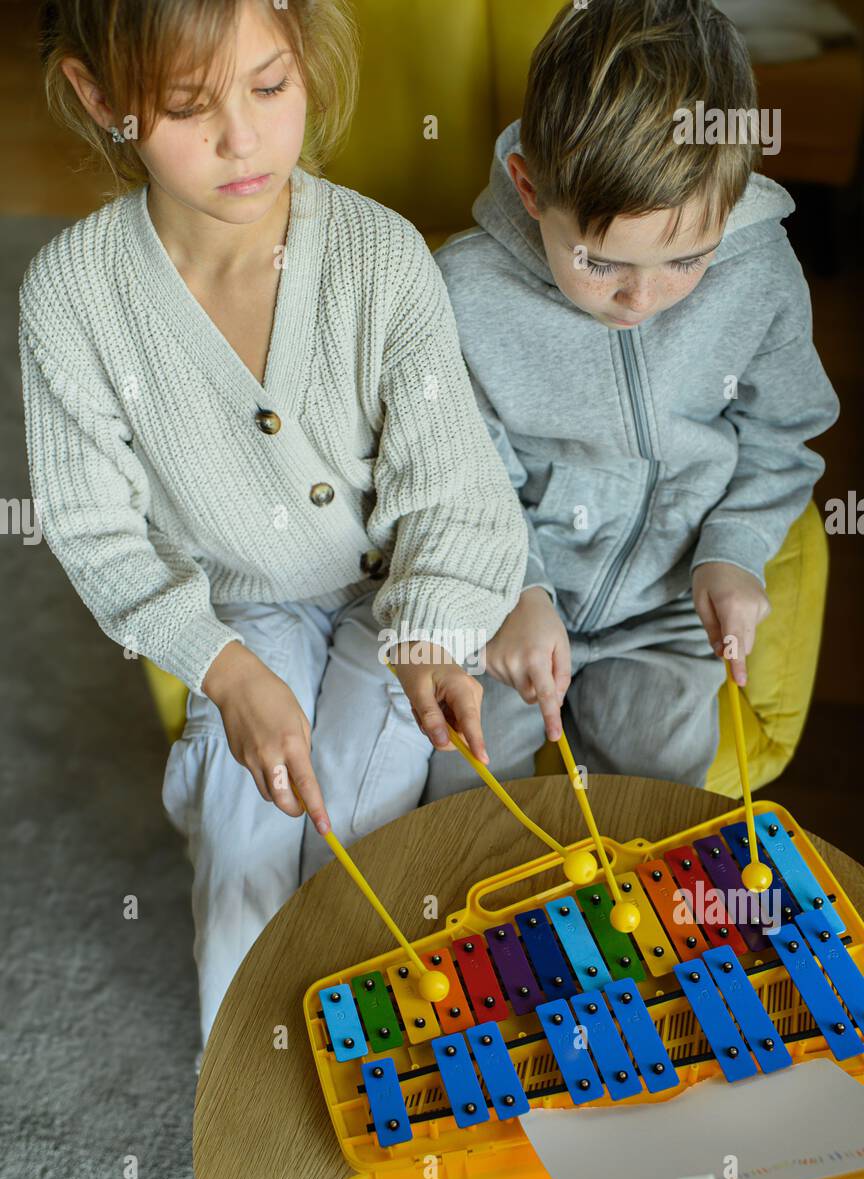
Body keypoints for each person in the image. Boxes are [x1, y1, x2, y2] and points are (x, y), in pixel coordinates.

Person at [23, 0, 528, 1061]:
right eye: (187, 107)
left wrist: (430, 637)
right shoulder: (71, 299)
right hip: (236, 604)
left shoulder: (382, 259)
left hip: (393, 598)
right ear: (99, 98)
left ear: (309, 62)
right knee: (247, 836)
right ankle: (249, 1094)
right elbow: (96, 530)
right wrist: (227, 671)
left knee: (358, 819)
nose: (242, 141)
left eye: (270, 86)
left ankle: (388, 1077)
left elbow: (450, 487)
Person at [422, 0, 839, 807]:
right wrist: (517, 590)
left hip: (664, 608)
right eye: (603, 261)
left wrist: (733, 549)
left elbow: (783, 433)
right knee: (463, 801)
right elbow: (456, 463)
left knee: (659, 812)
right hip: (495, 591)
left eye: (688, 260)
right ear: (529, 186)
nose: (641, 297)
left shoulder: (761, 272)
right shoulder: (463, 288)